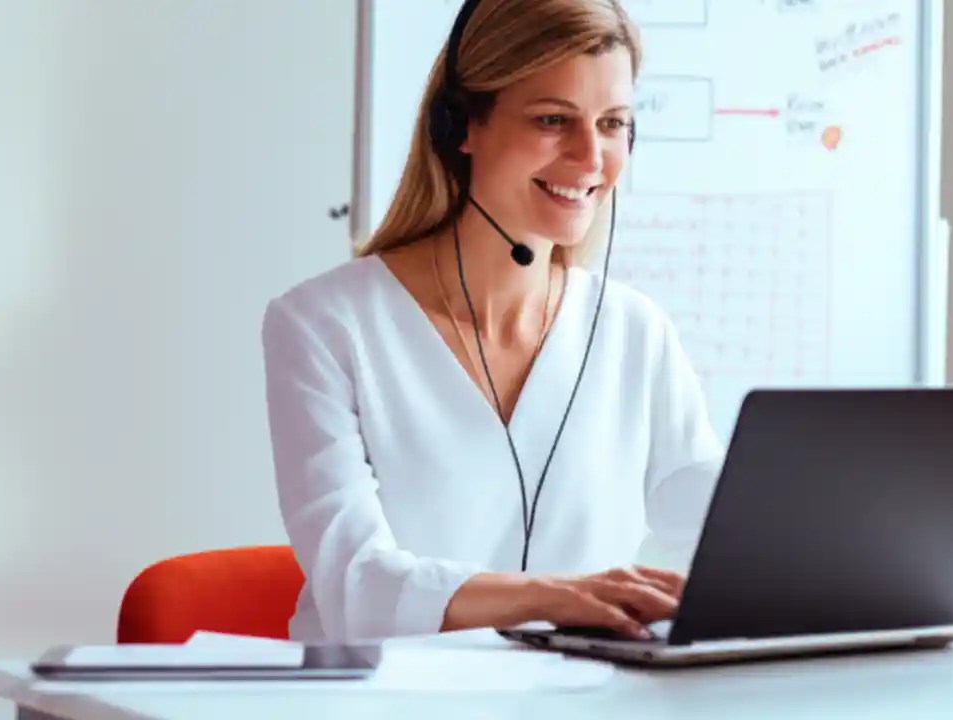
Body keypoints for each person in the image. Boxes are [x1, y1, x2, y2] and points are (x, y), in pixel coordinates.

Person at [260, 0, 723, 644]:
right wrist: (559, 596)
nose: (592, 157)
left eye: (613, 123)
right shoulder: (324, 325)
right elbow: (356, 587)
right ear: (461, 125)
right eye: (553, 120)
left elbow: (718, 534)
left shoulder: (632, 331)